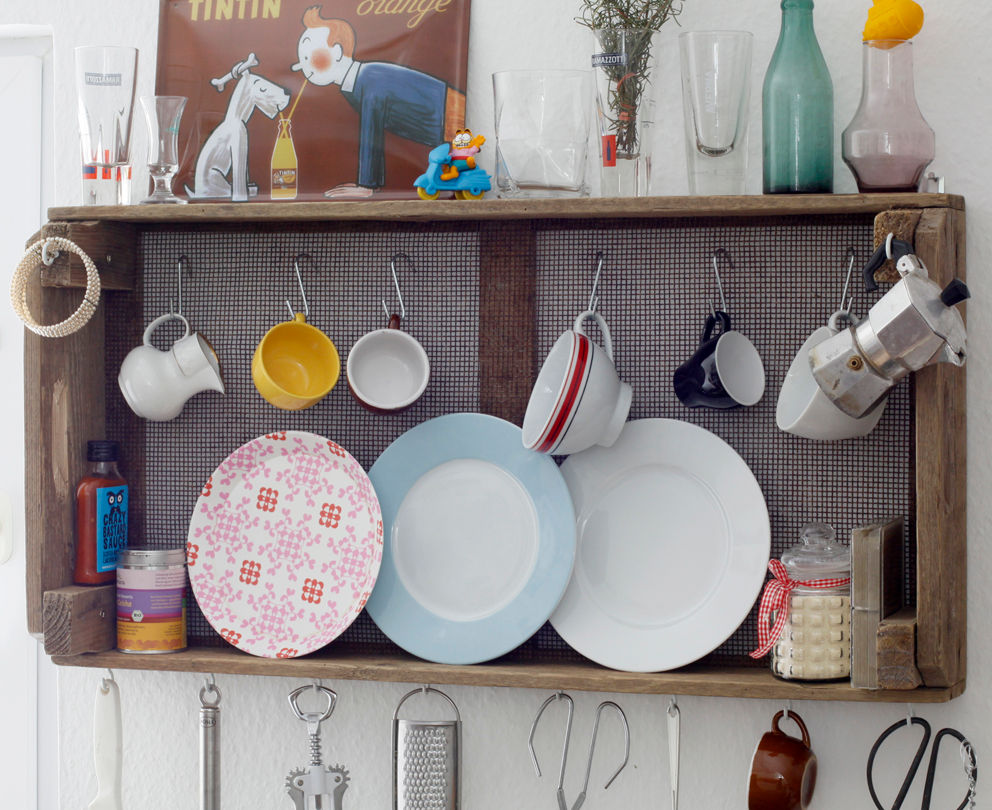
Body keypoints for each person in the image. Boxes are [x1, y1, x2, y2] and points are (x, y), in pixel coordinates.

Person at [292, 5, 465, 197]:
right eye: (302, 58)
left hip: (452, 117)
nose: (302, 66)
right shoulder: (358, 82)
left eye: (309, 56)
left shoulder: (368, 78)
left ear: (338, 52)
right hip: (443, 128)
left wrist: (366, 186)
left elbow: (371, 132)